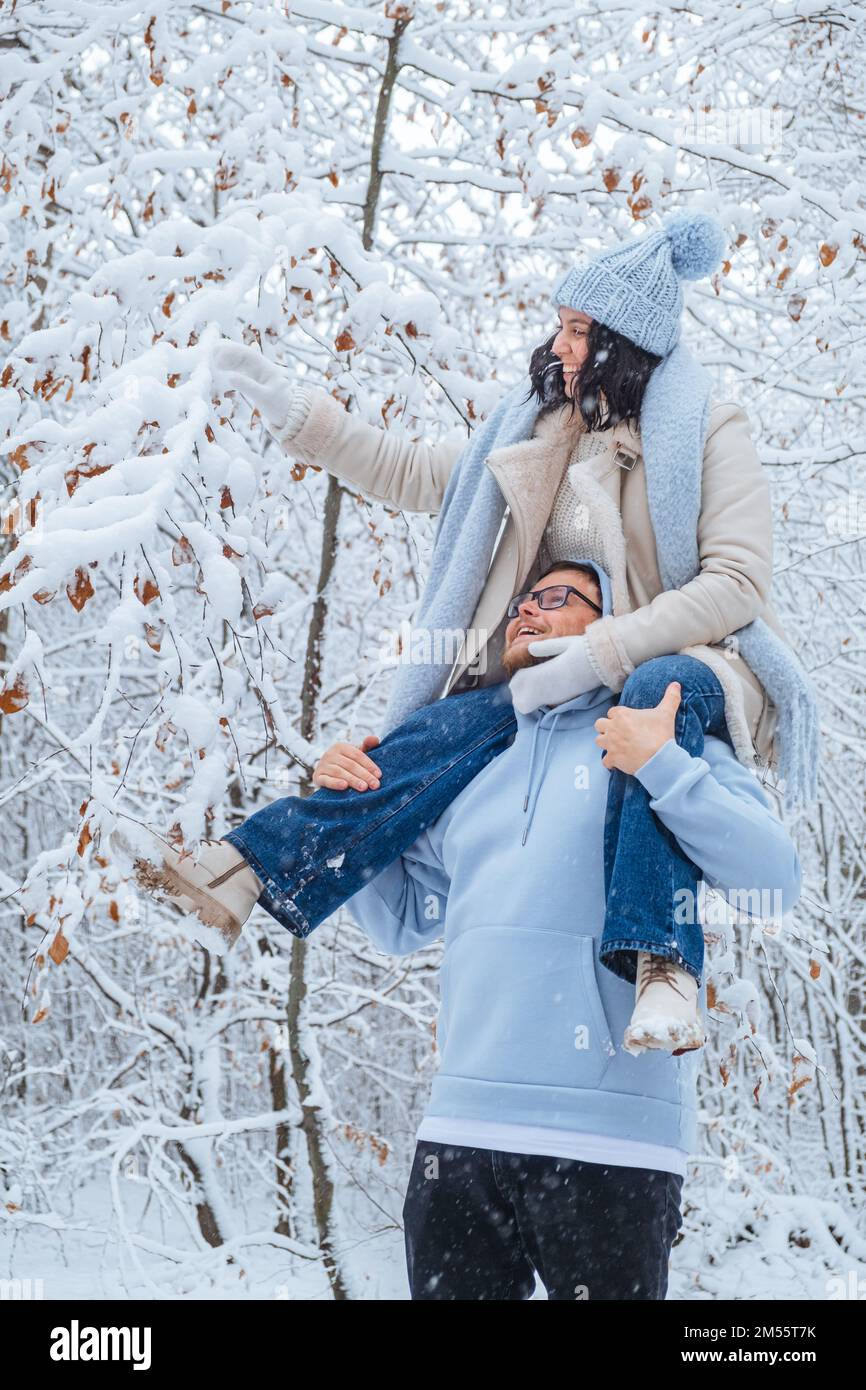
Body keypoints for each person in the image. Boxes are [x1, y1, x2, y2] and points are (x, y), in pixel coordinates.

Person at [128, 210, 817, 1052]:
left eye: (577, 331)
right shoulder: (541, 431)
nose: (559, 347)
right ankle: (246, 865)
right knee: (434, 730)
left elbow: (737, 583)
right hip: (547, 660)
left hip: (687, 662)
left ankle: (664, 968)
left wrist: (601, 651)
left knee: (646, 692)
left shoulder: (709, 430)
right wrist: (300, 415)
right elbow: (418, 472)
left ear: (623, 342)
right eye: (559, 327)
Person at [339, 555, 801, 1299]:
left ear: (612, 617)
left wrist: (664, 769)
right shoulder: (476, 757)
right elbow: (400, 920)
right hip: (459, 1134)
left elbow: (774, 882)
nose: (526, 609)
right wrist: (351, 820)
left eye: (557, 597)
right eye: (523, 598)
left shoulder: (657, 732)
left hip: (609, 1140)